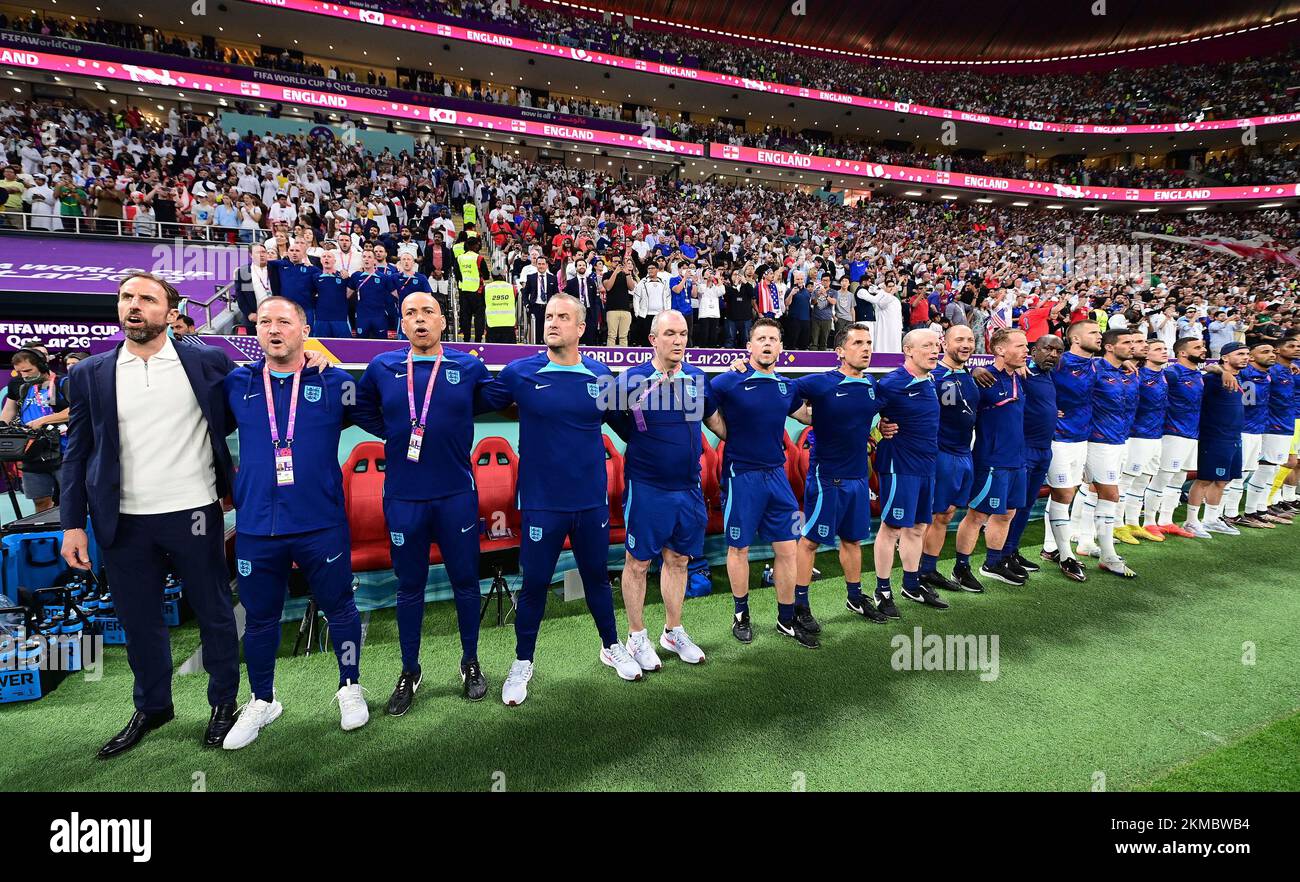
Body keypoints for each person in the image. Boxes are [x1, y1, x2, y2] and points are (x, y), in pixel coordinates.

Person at [60, 273, 241, 758]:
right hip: (121, 521)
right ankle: (153, 706)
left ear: (171, 311)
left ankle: (224, 703)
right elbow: (76, 453)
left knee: (216, 615)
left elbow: (255, 395)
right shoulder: (89, 373)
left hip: (194, 513)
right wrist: (72, 523)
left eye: (146, 299)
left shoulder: (207, 362)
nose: (133, 306)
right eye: (126, 298)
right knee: (139, 621)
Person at [476, 293, 640, 706]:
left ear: (581, 328)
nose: (552, 322)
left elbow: (632, 427)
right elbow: (472, 403)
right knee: (533, 584)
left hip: (590, 502)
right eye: (549, 316)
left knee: (598, 578)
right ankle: (522, 662)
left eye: (563, 317)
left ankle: (610, 645)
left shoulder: (602, 377)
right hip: (541, 503)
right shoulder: (520, 373)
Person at [220, 297, 367, 749]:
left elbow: (386, 421)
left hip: (320, 522)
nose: (273, 328)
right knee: (260, 619)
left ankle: (349, 686)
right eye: (264, 321)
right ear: (255, 330)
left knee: (339, 607)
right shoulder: (236, 384)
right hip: (257, 527)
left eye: (284, 321)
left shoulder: (338, 381)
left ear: (304, 330)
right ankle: (263, 700)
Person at [354, 292, 493, 711]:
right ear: (401, 322)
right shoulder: (382, 367)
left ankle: (470, 662)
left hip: (456, 496)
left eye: (428, 312)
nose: (419, 320)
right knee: (409, 587)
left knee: (466, 583)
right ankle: (410, 670)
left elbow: (492, 400)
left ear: (443, 322)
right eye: (410, 313)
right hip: (404, 498)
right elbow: (361, 409)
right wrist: (396, 432)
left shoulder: (468, 367)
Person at [607, 310, 725, 669]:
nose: (678, 340)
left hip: (688, 488)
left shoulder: (697, 379)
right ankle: (637, 636)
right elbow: (609, 412)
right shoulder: (633, 379)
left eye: (683, 334)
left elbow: (715, 420)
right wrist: (636, 434)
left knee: (678, 560)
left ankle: (673, 631)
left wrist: (748, 441)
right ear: (653, 340)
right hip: (647, 488)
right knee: (639, 563)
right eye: (670, 333)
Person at [709, 319, 813, 646]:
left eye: (773, 339)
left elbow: (807, 416)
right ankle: (741, 614)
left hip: (777, 475)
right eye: (761, 338)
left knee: (788, 548)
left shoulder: (786, 386)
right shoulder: (729, 381)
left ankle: (785, 619)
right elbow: (705, 407)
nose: (767, 343)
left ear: (781, 348)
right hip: (742, 476)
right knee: (738, 548)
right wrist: (727, 433)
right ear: (749, 346)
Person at [793, 323, 892, 625]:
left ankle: (855, 596)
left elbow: (884, 415)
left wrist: (880, 431)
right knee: (810, 542)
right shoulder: (820, 383)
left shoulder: (873, 385)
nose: (866, 349)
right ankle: (799, 605)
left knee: (852, 540)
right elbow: (779, 391)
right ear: (840, 351)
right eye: (858, 343)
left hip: (859, 478)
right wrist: (806, 415)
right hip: (827, 478)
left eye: (868, 343)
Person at [872, 329, 946, 616]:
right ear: (908, 350)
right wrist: (878, 429)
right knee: (891, 528)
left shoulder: (931, 379)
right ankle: (882, 590)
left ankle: (911, 584)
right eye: (927, 346)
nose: (934, 350)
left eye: (936, 345)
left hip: (927, 466)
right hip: (899, 466)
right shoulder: (891, 383)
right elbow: (860, 411)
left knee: (918, 527)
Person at [952, 328, 1030, 586]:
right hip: (991, 461)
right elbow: (955, 383)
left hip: (1018, 460)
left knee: (1007, 514)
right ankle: (960, 568)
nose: (1025, 350)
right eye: (1019, 346)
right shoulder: (983, 378)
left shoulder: (1019, 375)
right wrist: (971, 371)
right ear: (999, 350)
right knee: (977, 516)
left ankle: (993, 562)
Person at [918, 325, 982, 594]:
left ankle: (930, 569)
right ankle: (916, 573)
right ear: (945, 342)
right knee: (931, 516)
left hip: (964, 453)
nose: (965, 344)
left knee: (946, 514)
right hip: (940, 455)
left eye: (970, 339)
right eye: (959, 339)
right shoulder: (933, 376)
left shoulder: (970, 375)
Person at [1041, 320, 1101, 582]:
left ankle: (1049, 547)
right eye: (1093, 333)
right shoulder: (1059, 361)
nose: (1099, 336)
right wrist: (1047, 410)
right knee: (1063, 493)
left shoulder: (1096, 364)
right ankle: (1066, 556)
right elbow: (1026, 377)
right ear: (1075, 339)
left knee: (1069, 492)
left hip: (1082, 436)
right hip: (1059, 437)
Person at [1002, 334, 1063, 573]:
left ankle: (1011, 551)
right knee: (1013, 506)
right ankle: (1000, 555)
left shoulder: (1049, 375)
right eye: (1048, 349)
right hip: (1024, 449)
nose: (1053, 355)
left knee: (1026, 505)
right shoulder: (1022, 373)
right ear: (1033, 350)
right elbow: (993, 371)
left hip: (1044, 450)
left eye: (1058, 351)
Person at [1143, 337, 1208, 537]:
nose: (1203, 349)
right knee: (1163, 477)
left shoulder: (1198, 374)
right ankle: (1149, 521)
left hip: (1192, 432)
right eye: (1197, 347)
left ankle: (1167, 520)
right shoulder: (1171, 373)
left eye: (1203, 346)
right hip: (1173, 432)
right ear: (1181, 353)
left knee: (1179, 478)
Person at [1183, 342, 1249, 537]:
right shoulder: (1212, 379)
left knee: (1223, 480)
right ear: (1226, 357)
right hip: (1214, 436)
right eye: (1240, 354)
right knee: (1204, 479)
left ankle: (1211, 519)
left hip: (1234, 436)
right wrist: (1221, 371)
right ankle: (1191, 521)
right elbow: (1208, 369)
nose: (1245, 357)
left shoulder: (1241, 377)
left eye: (1246, 353)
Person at [1222, 343, 1285, 529]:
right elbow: (1214, 368)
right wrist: (1222, 371)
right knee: (1237, 475)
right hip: (1241, 430)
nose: (1271, 354)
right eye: (1265, 352)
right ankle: (1228, 514)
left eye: (1273, 351)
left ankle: (1249, 512)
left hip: (1258, 429)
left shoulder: (1268, 375)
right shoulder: (1243, 373)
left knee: (1249, 471)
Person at [2, 347, 70, 511]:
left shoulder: (63, 383)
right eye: (20, 372)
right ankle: (43, 535)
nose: (24, 375)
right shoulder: (24, 389)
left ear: (42, 365)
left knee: (71, 500)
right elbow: (8, 412)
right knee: (40, 501)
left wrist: (43, 420)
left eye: (28, 370)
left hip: (64, 451)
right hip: (33, 453)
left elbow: (78, 410)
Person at [1116, 339, 1169, 542]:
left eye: (1165, 349)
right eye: (1157, 349)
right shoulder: (1136, 374)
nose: (1163, 352)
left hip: (1157, 435)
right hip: (1137, 435)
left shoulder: (1165, 375)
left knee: (1142, 481)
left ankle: (1132, 523)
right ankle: (1117, 524)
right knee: (1126, 481)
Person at [268, 241, 320, 326]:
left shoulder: (311, 269)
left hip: (306, 309)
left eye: (297, 251)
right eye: (291, 250)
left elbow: (325, 274)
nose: (294, 253)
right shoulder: (281, 265)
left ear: (303, 254)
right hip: (286, 309)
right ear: (287, 253)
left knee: (307, 334)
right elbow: (264, 262)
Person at [348, 250, 398, 339]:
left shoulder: (383, 277)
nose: (366, 259)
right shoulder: (355, 276)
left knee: (382, 345)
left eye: (369, 257)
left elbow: (396, 294)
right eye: (364, 257)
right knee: (361, 344)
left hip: (379, 317)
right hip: (362, 317)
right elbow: (346, 295)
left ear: (374, 260)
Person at [311, 250, 353, 338]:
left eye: (329, 257)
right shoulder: (315, 277)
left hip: (340, 318)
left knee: (344, 346)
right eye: (324, 256)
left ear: (334, 261)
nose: (326, 258)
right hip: (321, 318)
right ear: (321, 260)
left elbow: (350, 292)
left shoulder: (343, 276)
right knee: (321, 346)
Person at [483, 271, 518, 343]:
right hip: (508, 324)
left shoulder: (486, 288)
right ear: (504, 276)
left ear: (492, 277)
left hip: (492, 324)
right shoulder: (512, 287)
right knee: (510, 351)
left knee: (492, 352)